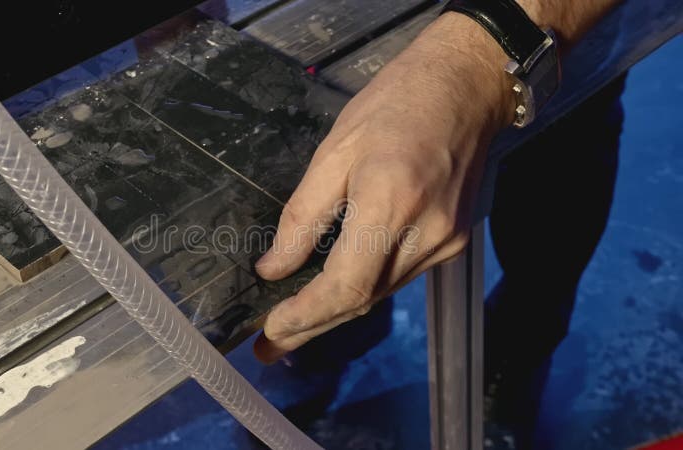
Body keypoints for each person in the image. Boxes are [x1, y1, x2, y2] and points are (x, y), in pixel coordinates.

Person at [252, 0, 626, 446]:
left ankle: (517, 351)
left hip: (562, 41)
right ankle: (328, 342)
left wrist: (478, 56)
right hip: (318, 29)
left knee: (553, 199)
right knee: (330, 221)